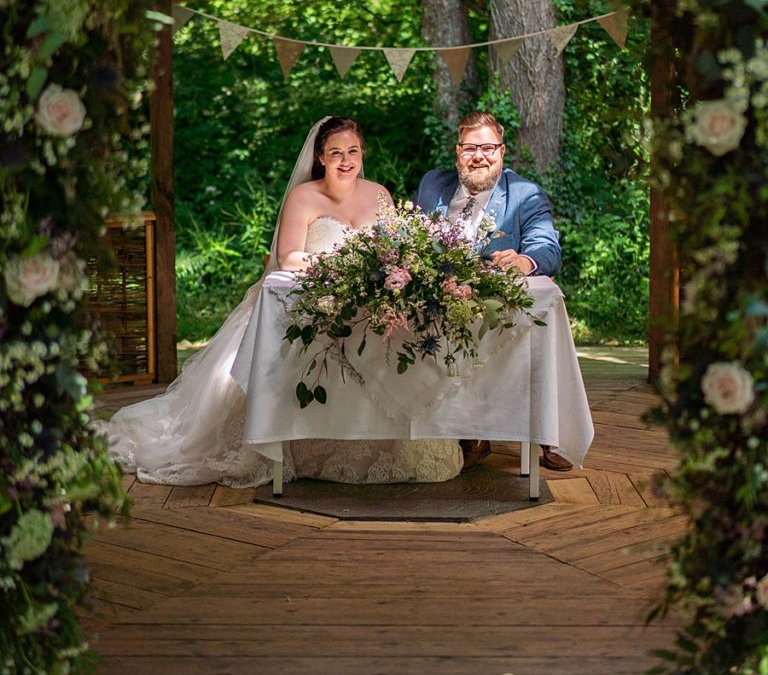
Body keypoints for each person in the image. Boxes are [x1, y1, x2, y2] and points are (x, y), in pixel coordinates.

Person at [104, 116, 462, 487]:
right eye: (335, 152)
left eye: (352, 151)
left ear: (362, 154)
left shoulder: (380, 195)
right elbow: (289, 257)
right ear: (320, 157)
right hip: (313, 300)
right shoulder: (304, 196)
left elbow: (392, 252)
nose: (345, 160)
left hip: (369, 306)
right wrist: (346, 265)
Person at [415, 110, 572, 473]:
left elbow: (547, 247)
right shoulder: (432, 185)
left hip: (496, 304)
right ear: (457, 152)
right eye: (470, 147)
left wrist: (523, 260)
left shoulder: (523, 194)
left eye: (488, 147)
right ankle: (455, 429)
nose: (479, 156)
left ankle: (532, 432)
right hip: (438, 298)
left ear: (502, 151)